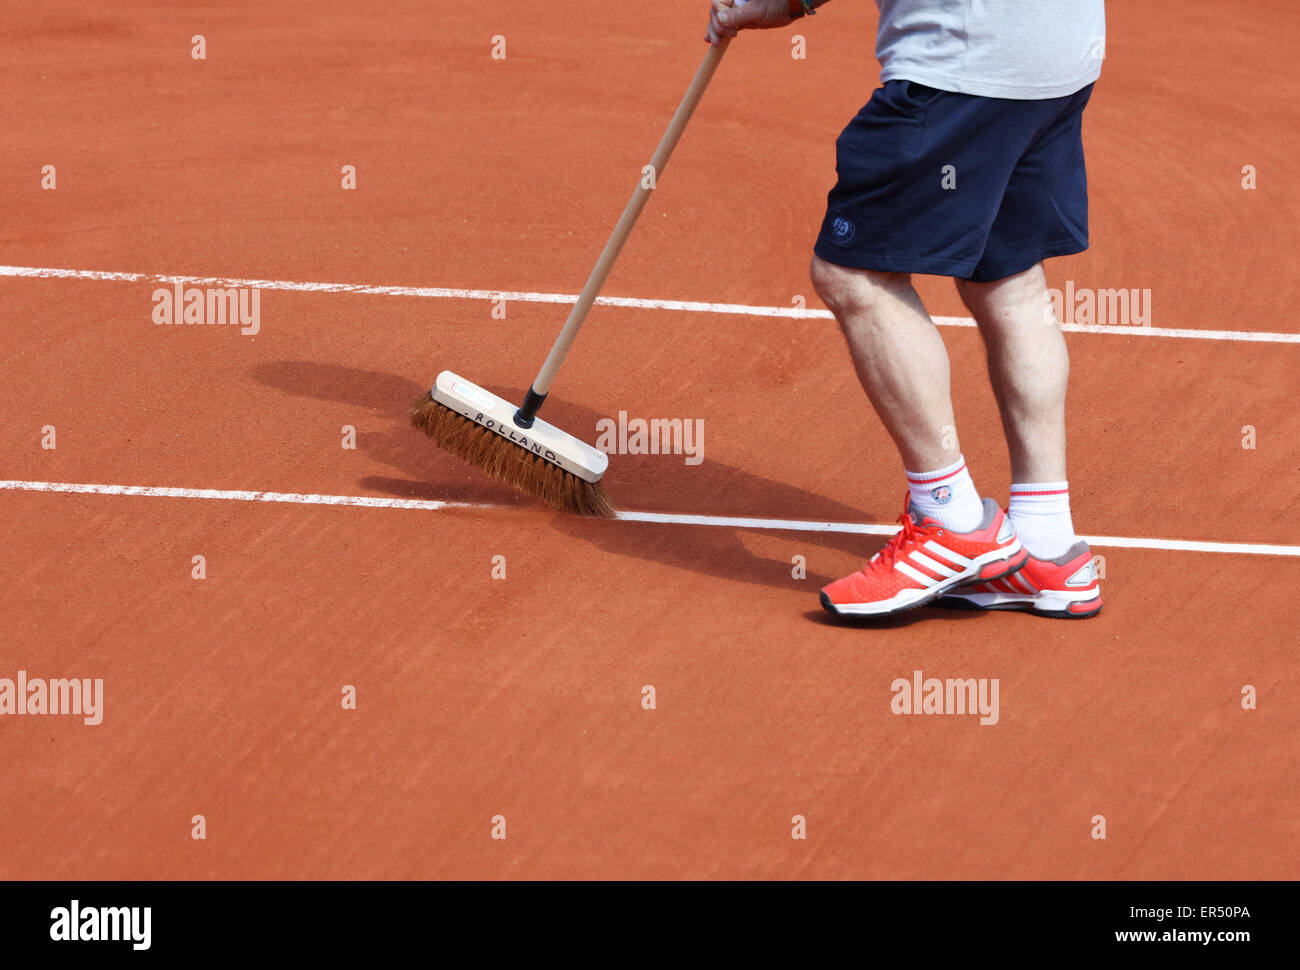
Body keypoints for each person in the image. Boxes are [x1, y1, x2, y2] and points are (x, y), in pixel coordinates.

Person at [706, 0, 1106, 619]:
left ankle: (952, 519)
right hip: (1056, 58)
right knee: (1008, 277)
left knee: (853, 273)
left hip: (963, 66)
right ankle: (1047, 546)